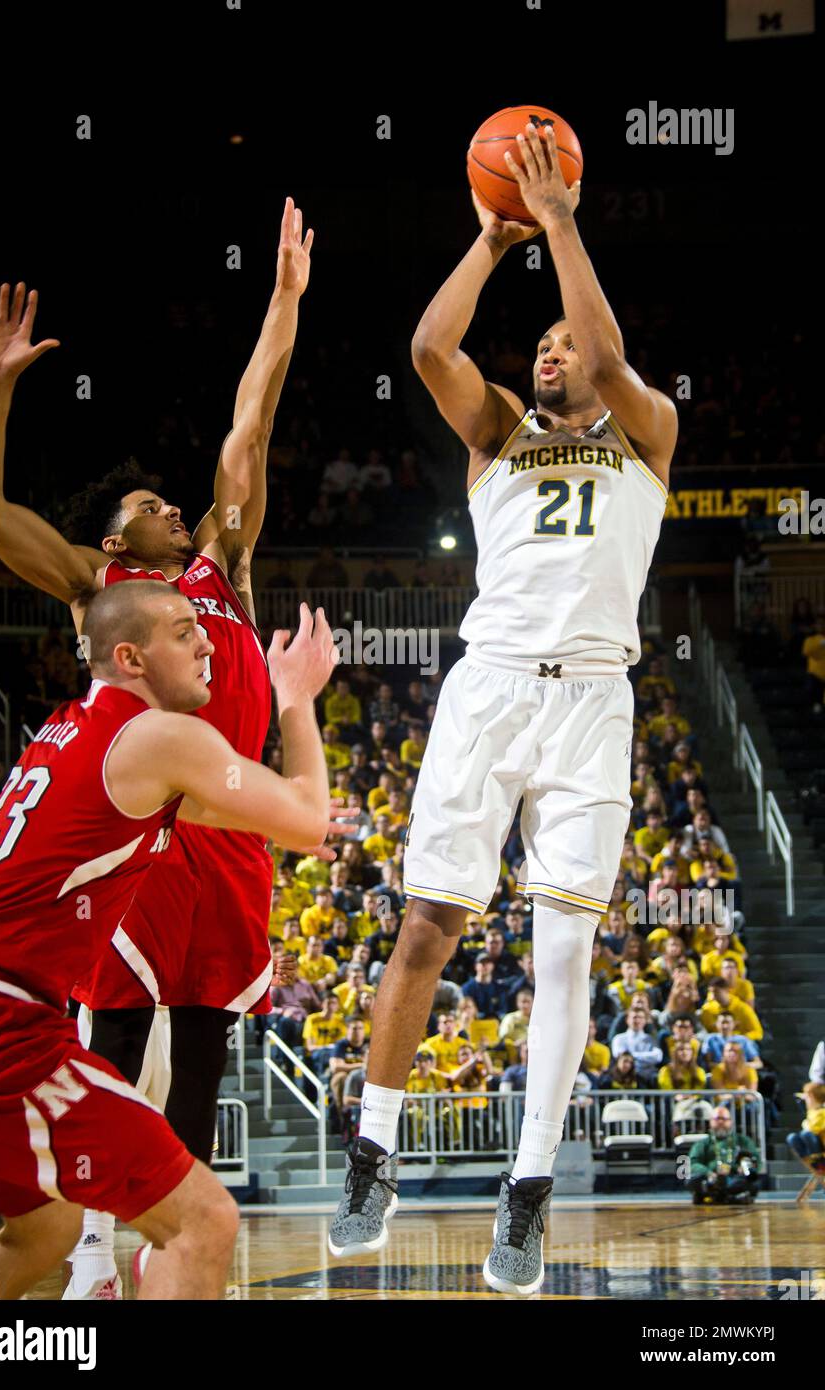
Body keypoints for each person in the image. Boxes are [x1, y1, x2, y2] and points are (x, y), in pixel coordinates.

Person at [327, 121, 677, 1295]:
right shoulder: (494, 436)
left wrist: (565, 225)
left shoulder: (646, 429)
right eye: (534, 341)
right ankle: (370, 1152)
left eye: (559, 342)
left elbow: (614, 352)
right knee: (427, 924)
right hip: (487, 690)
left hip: (590, 702)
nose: (545, 351)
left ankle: (525, 1194)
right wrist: (489, 240)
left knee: (564, 949)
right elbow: (430, 343)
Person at [0, 206, 322, 1300]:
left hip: (226, 815)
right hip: (145, 821)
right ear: (117, 555)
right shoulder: (98, 595)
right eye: (147, 506)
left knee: (205, 1045)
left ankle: (151, 1243)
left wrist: (285, 303)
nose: (173, 503)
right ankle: (88, 1268)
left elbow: (248, 428)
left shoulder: (220, 563)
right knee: (109, 1038)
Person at [0, 582, 335, 1299]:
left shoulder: (73, 729)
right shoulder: (157, 736)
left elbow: (252, 813)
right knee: (204, 1222)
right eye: (185, 632)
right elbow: (308, 818)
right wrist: (296, 697)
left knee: (45, 1228)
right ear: (129, 657)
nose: (209, 642)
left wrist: (279, 810)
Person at [685, 1107, 761, 1206]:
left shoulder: (743, 1141)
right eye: (717, 1119)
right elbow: (693, 1163)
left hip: (734, 1178)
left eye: (724, 1119)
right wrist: (708, 1173)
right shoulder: (702, 1143)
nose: (720, 1122)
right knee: (691, 1180)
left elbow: (755, 1161)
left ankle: (714, 1196)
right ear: (710, 1122)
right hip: (711, 1178)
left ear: (731, 1122)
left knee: (753, 1182)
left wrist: (744, 1167)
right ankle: (732, 1198)